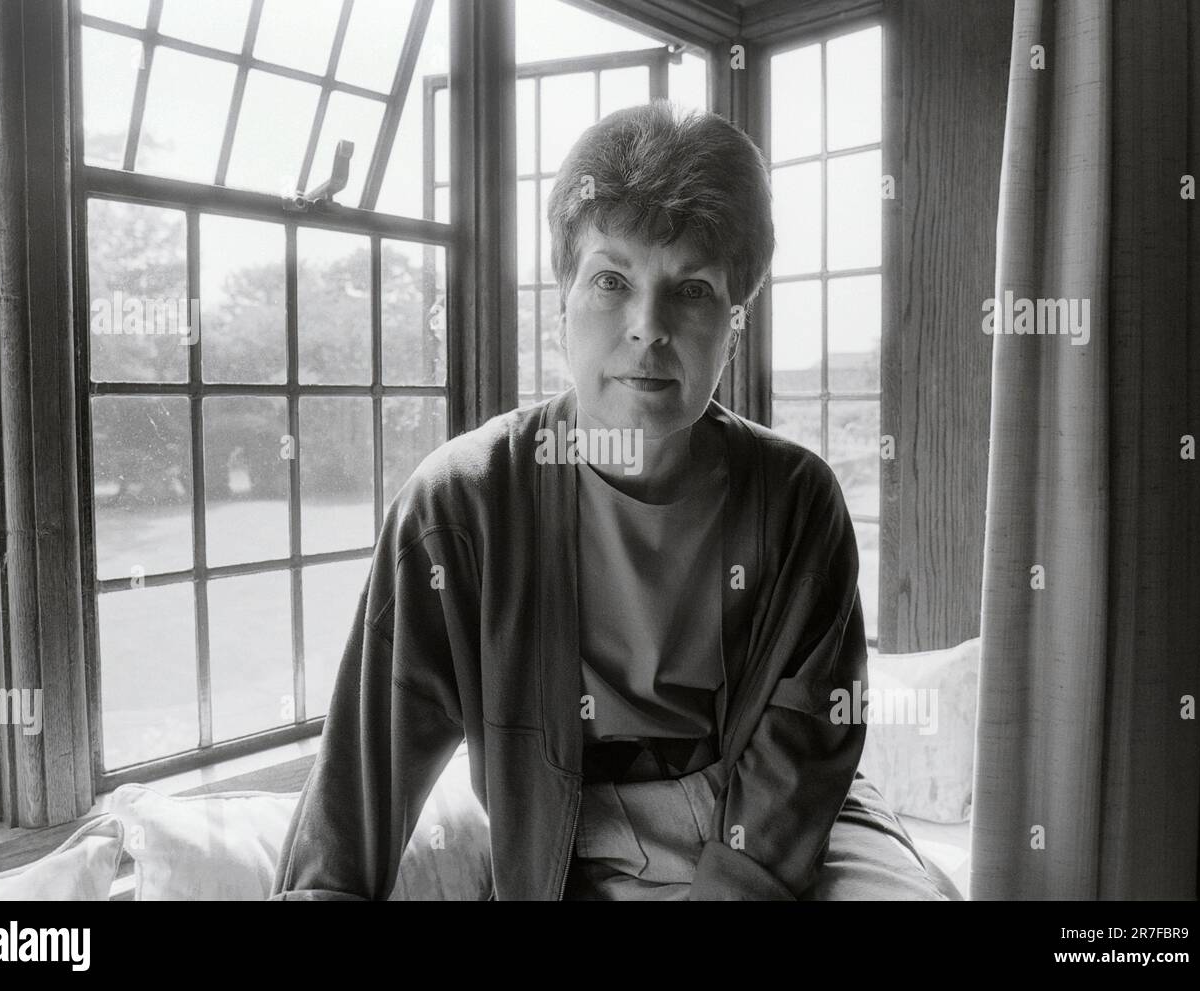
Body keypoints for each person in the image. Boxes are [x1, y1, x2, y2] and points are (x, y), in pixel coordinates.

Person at [271, 100, 953, 901]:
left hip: (789, 826)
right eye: (611, 280)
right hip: (574, 834)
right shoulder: (461, 507)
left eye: (692, 289)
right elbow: (364, 766)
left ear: (737, 319)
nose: (648, 326)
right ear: (562, 296)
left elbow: (806, 742)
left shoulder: (798, 498)